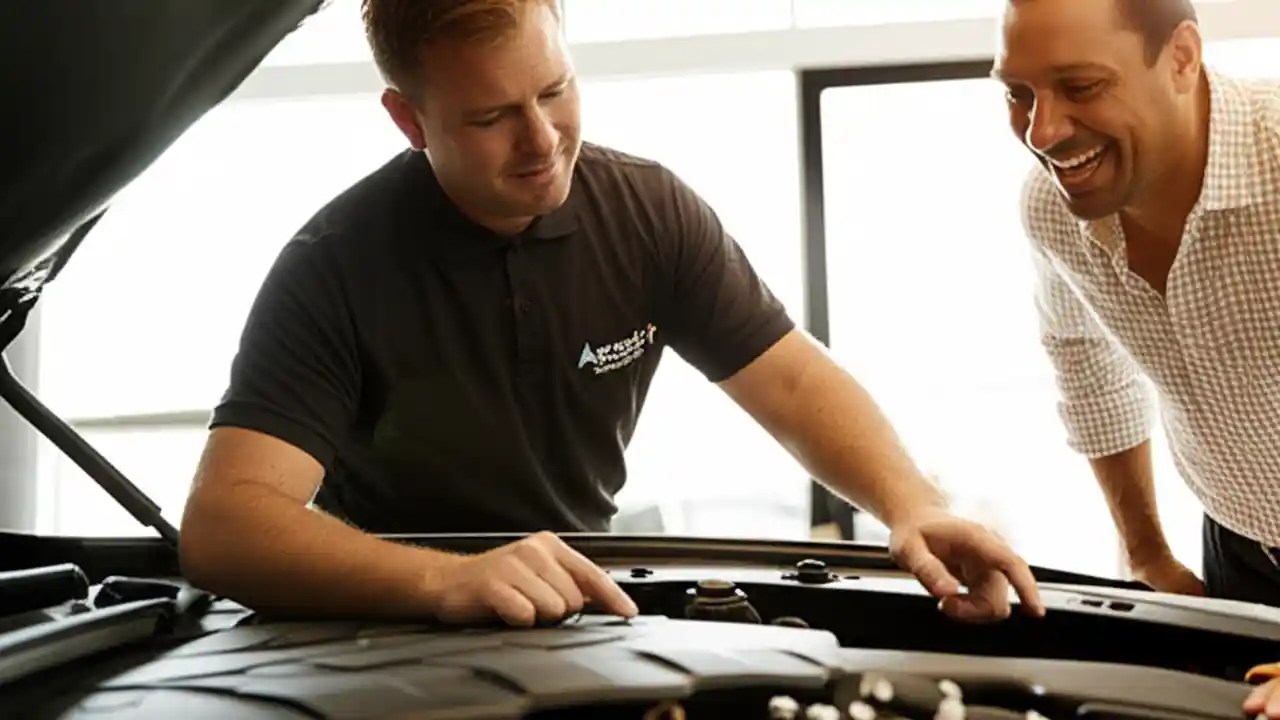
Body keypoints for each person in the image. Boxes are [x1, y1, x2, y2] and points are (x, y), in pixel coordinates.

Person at [178, 0, 1044, 628]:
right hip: (377, 626)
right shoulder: (333, 268)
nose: (542, 140)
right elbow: (224, 527)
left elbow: (789, 380)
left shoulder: (649, 214)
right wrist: (445, 582)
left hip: (572, 606)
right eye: (493, 117)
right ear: (410, 119)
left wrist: (912, 503)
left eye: (555, 90)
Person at [993, 0, 1280, 607]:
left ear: (1182, 58)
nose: (1042, 132)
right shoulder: (1051, 207)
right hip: (1238, 548)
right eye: (1019, 93)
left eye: (1081, 87)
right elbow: (1086, 365)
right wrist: (1146, 552)